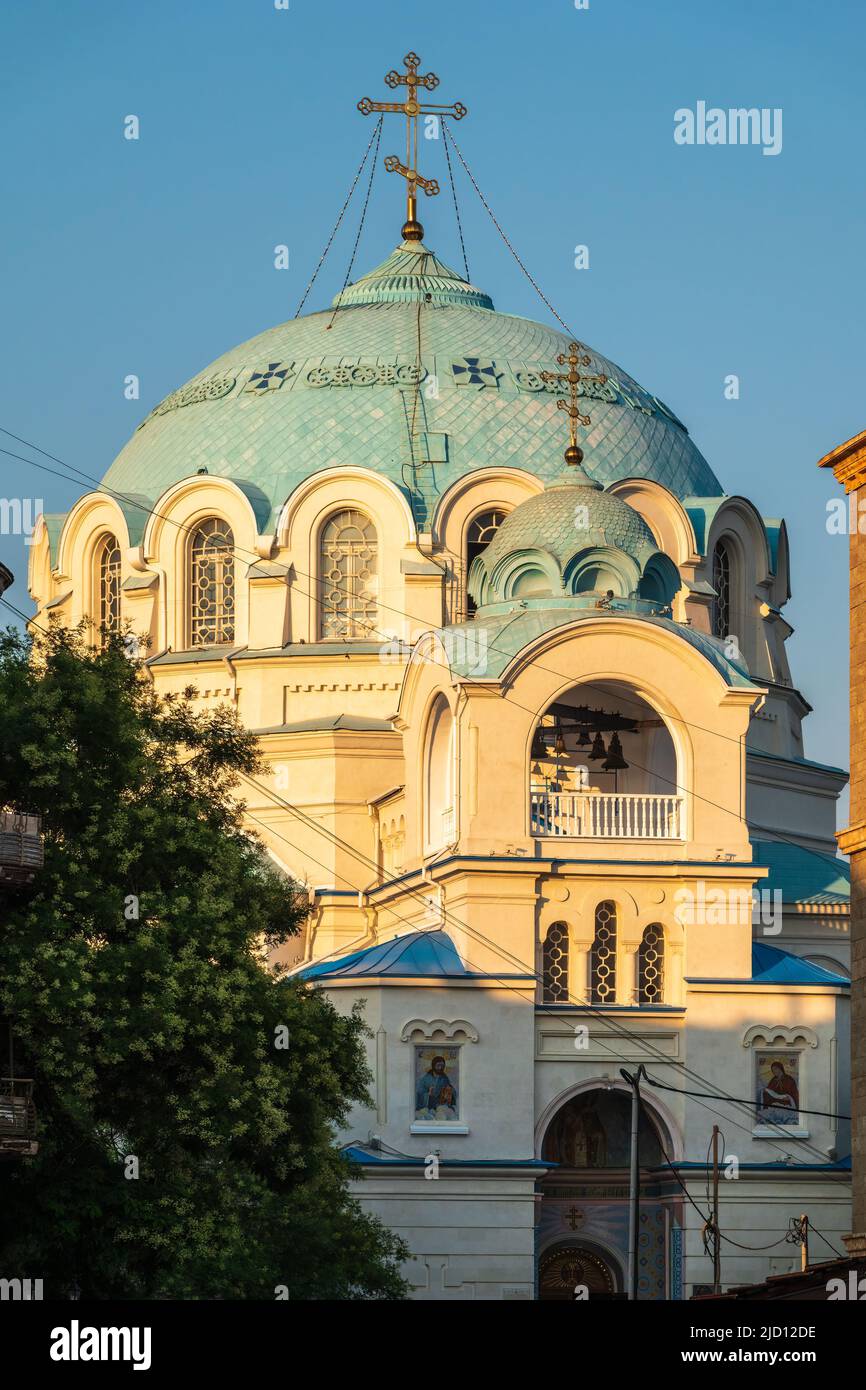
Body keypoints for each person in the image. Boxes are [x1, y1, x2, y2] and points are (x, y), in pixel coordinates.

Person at [416, 1054, 458, 1119]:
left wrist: (450, 1092)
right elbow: (419, 1093)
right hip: (428, 1108)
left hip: (441, 1107)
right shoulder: (425, 1079)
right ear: (433, 1066)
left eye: (442, 1066)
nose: (440, 1068)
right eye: (438, 1065)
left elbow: (451, 1092)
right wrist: (428, 1095)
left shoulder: (444, 1078)